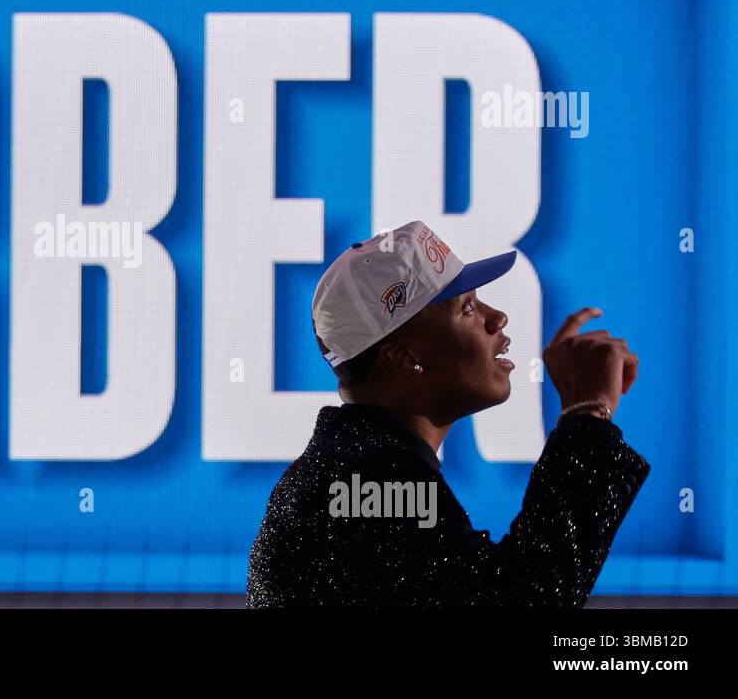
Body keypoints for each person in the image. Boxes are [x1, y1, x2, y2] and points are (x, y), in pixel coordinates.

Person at [246, 220, 649, 608]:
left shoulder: (349, 469)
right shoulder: (367, 481)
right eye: (467, 307)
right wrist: (588, 416)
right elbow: (519, 600)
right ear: (404, 355)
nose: (497, 318)